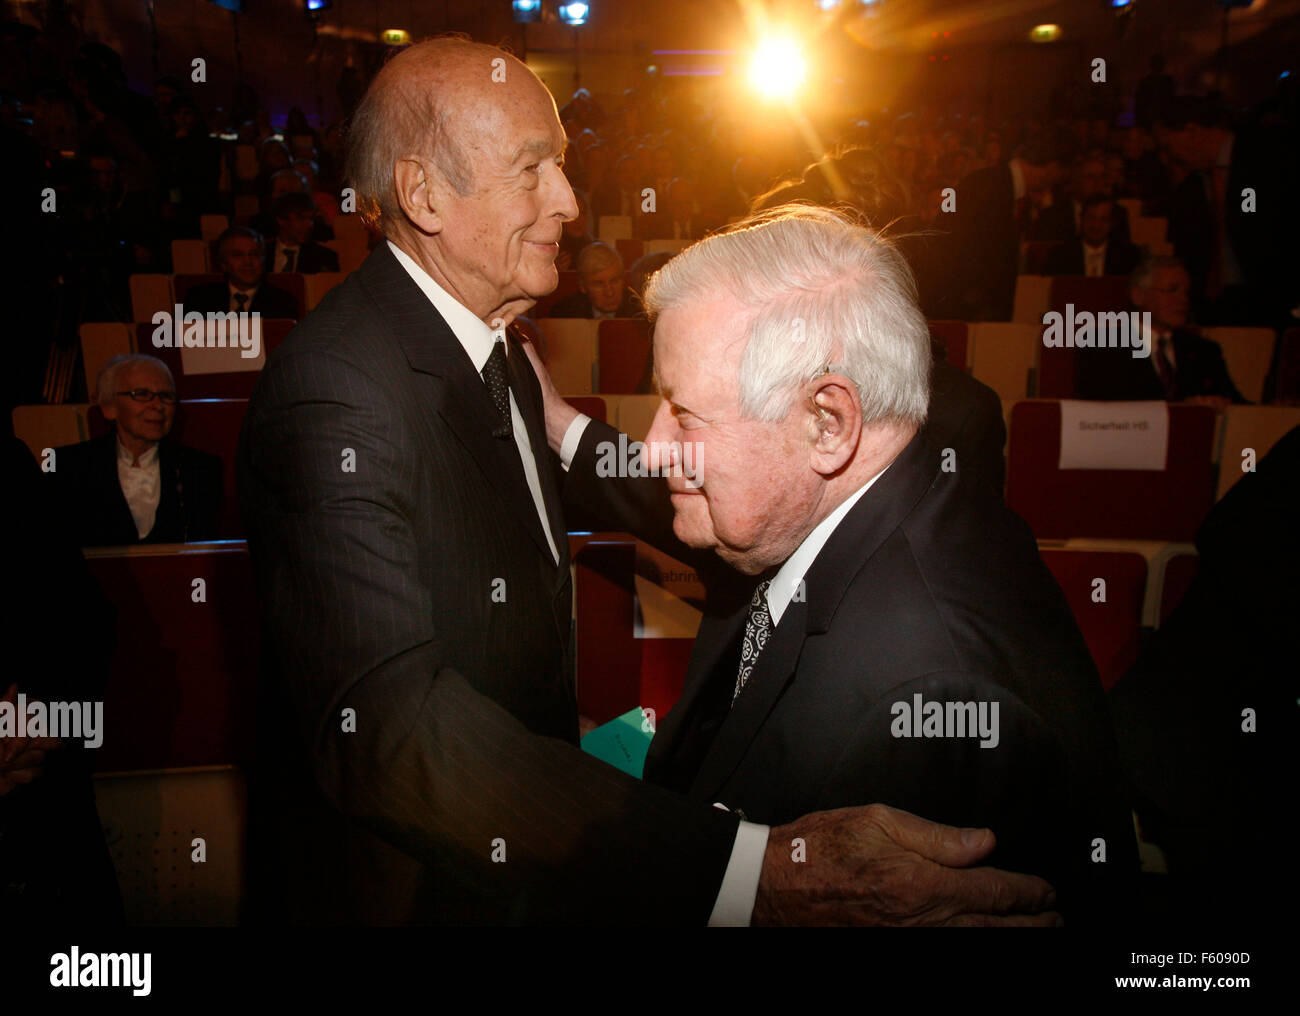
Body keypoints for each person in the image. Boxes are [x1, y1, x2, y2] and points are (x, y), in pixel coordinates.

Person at [237, 37, 1058, 927]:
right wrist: (748, 874)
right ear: (424, 194)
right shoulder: (336, 391)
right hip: (415, 892)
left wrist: (573, 435)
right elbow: (389, 736)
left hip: (529, 851)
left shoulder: (497, 345)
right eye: (532, 170)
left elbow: (696, 490)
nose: (569, 200)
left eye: (562, 165)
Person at [530, 206, 1137, 922]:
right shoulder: (883, 492)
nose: (657, 448)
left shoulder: (915, 701)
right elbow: (687, 494)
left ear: (829, 423)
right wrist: (560, 423)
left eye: (682, 414)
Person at [46, 355, 223, 546]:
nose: (158, 406)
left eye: (166, 396)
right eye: (141, 394)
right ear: (109, 406)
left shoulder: (201, 469)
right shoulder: (66, 466)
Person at [1074, 255, 1248, 405]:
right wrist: (1184, 409)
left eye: (1186, 292)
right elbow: (1102, 409)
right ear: (1138, 296)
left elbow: (1238, 406)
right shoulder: (1102, 346)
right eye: (1172, 290)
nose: (1182, 299)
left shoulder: (1204, 350)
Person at [949, 128, 1073, 320]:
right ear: (1051, 169)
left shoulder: (1002, 186)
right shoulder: (989, 186)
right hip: (974, 306)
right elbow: (969, 247)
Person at [184, 227, 300, 318]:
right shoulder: (198, 299)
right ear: (223, 264)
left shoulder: (283, 303)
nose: (248, 262)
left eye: (255, 254)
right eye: (237, 255)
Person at [1042, 194, 1141, 278]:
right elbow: (1060, 297)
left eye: (1104, 219)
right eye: (1091, 218)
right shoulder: (1059, 256)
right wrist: (1071, 302)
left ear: (1112, 223)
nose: (1096, 225)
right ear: (1081, 219)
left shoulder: (1130, 257)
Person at [548, 242, 642, 318]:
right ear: (582, 286)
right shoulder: (564, 314)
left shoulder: (640, 312)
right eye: (598, 284)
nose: (609, 293)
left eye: (614, 281)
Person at [262, 192, 339, 274]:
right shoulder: (262, 253)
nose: (310, 224)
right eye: (302, 218)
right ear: (281, 220)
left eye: (311, 219)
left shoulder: (324, 257)